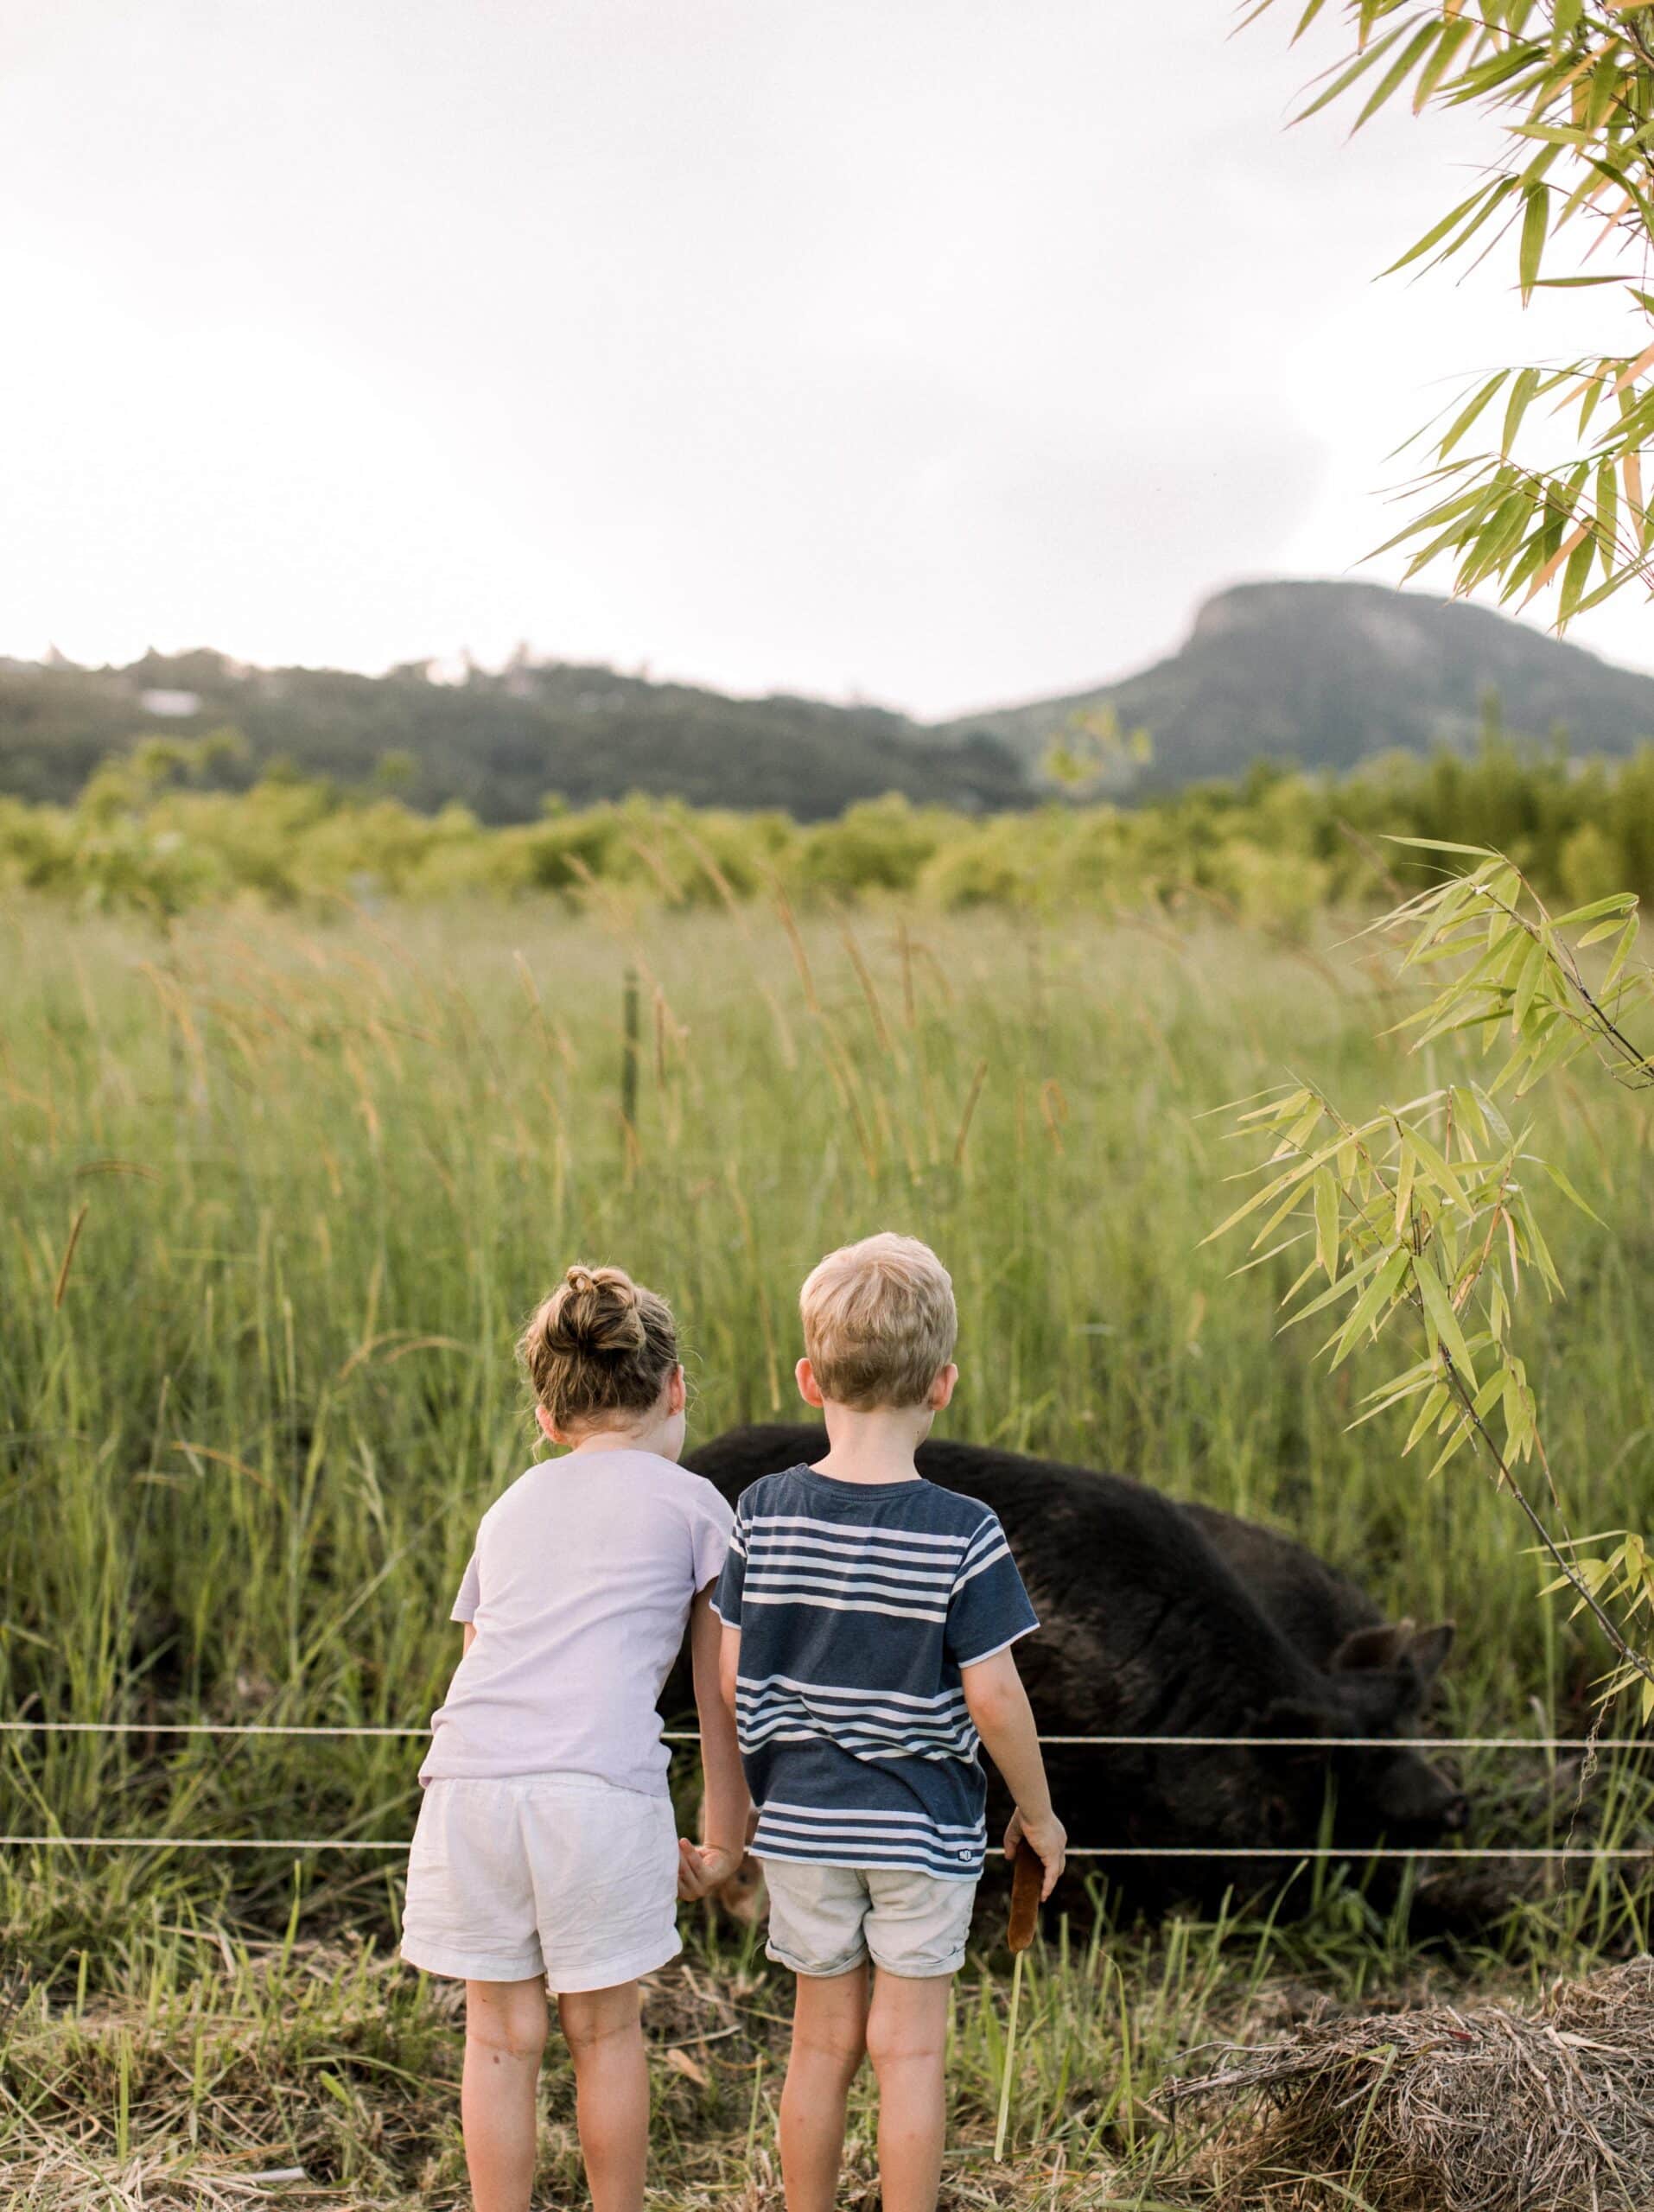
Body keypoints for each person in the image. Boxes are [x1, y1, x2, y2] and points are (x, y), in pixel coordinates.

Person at [713, 1231, 1066, 2212]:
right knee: (909, 2053)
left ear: (808, 1378)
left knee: (818, 2046)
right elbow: (995, 1696)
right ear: (943, 1386)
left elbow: (733, 1676)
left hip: (802, 1829)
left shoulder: (763, 1512)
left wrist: (769, 1782)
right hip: (923, 1831)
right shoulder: (965, 1531)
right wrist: (1038, 1814)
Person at [402, 1264, 748, 2212]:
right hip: (595, 1796)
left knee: (497, 2038)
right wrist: (723, 1839)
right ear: (675, 1390)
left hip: (467, 1790)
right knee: (604, 2033)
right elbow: (718, 1692)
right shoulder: (697, 1506)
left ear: (549, 1418)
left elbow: (480, 1662)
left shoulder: (510, 1508)